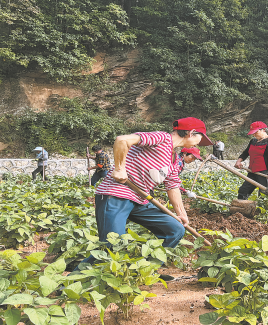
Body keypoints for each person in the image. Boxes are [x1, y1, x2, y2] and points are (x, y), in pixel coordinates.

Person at [74, 117, 213, 274]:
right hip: (116, 195)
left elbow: (172, 186)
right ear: (191, 133)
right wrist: (119, 168)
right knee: (111, 245)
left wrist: (181, 214)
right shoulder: (162, 138)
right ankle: (68, 285)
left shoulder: (174, 159)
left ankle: (142, 272)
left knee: (175, 230)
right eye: (199, 139)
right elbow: (122, 140)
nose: (198, 144)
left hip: (139, 200)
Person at [234, 121, 268, 200]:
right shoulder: (253, 141)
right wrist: (238, 161)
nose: (254, 135)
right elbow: (246, 152)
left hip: (265, 172)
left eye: (256, 132)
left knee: (264, 194)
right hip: (252, 171)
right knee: (243, 191)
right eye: (253, 133)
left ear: (263, 130)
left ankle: (264, 211)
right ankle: (240, 209)